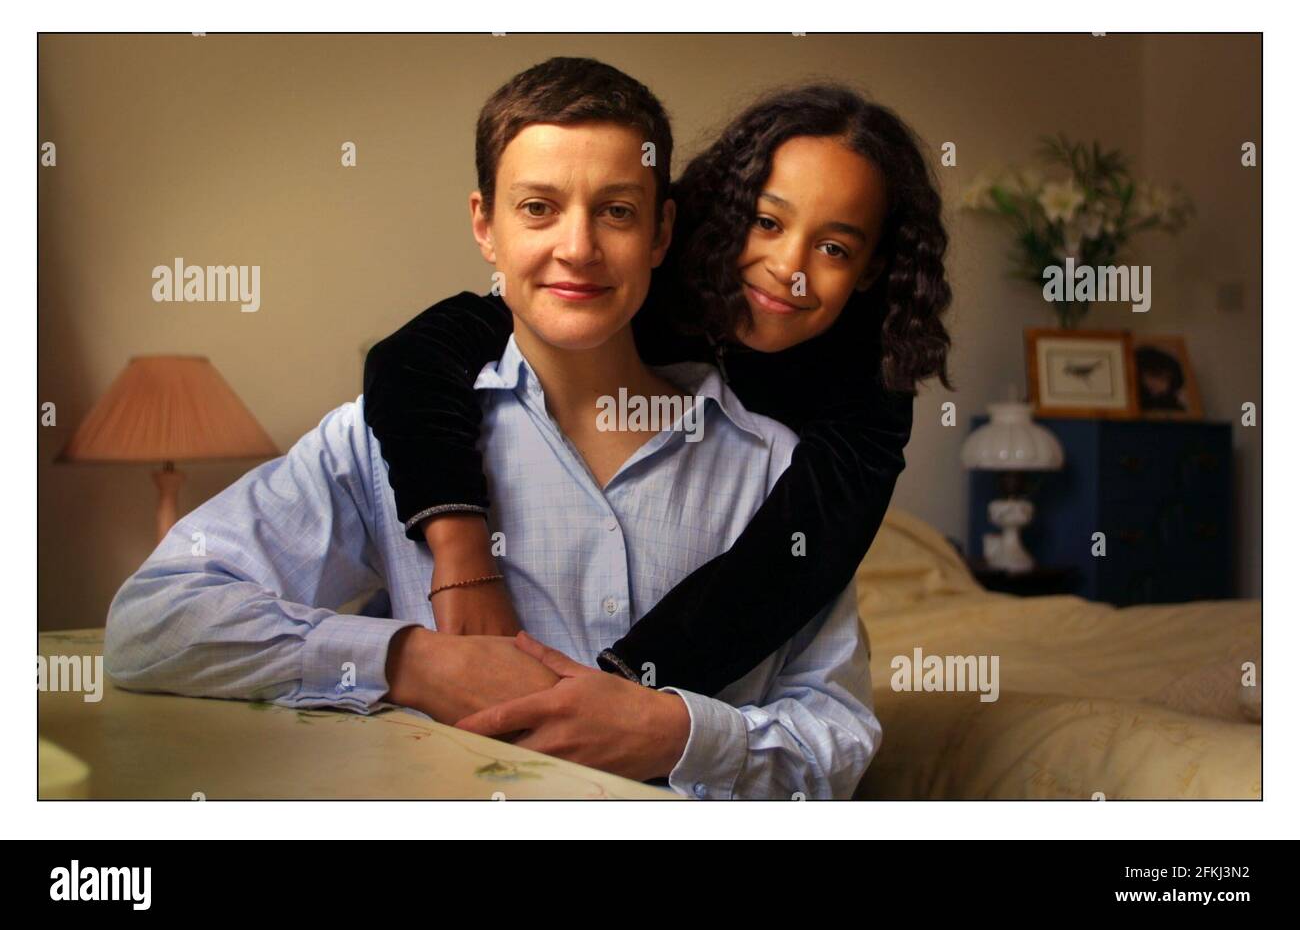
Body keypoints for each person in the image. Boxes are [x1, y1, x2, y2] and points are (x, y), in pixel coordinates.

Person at [105, 57, 881, 799]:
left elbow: (839, 735)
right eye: (538, 208)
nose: (576, 248)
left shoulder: (778, 472)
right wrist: (409, 661)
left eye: (615, 211)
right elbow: (153, 623)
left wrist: (676, 734)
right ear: (486, 226)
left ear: (661, 233)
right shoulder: (381, 440)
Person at [364, 68, 952, 697]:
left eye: (834, 249)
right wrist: (463, 555)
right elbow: (411, 356)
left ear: (872, 271)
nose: (790, 270)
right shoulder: (637, 276)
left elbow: (784, 568)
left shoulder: (870, 395)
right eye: (767, 222)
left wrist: (621, 694)